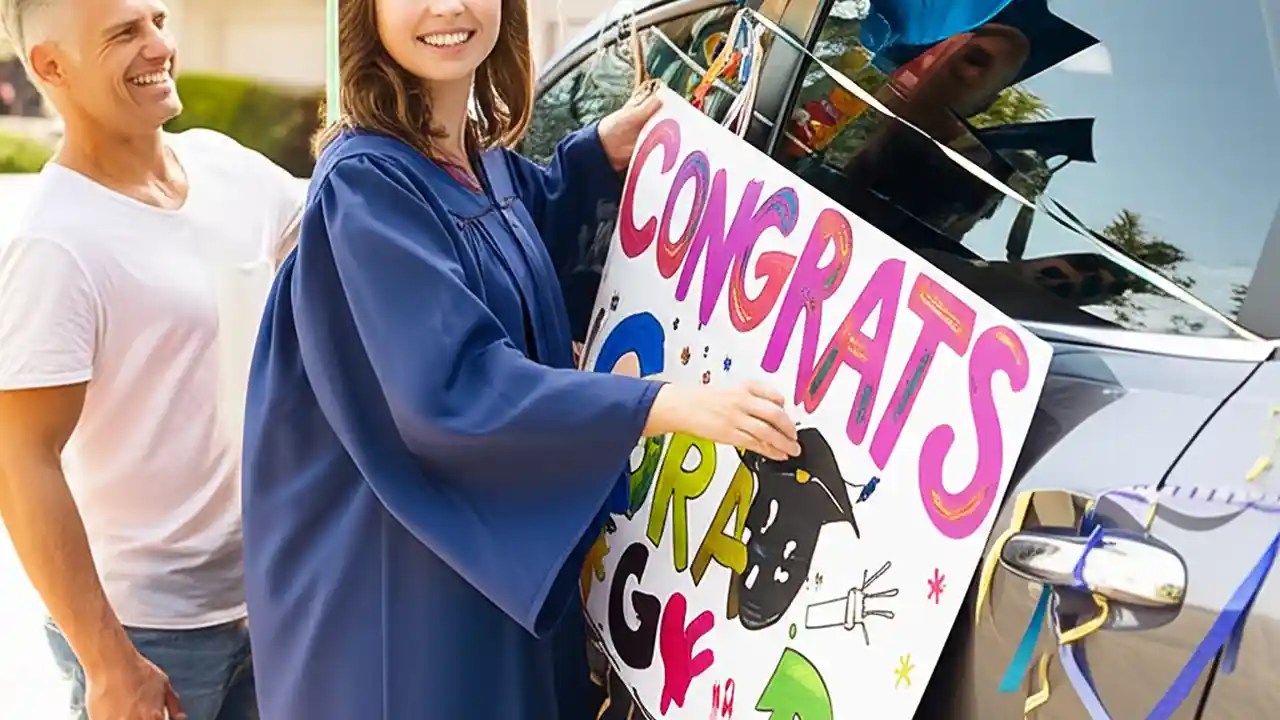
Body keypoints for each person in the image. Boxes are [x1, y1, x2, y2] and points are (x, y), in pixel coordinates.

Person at [238, 0, 802, 717]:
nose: (447, 7)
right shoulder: (366, 188)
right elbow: (452, 386)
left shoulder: (471, 163)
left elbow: (526, 235)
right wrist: (665, 404)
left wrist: (602, 150)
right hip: (405, 603)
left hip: (471, 590)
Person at [0, 0, 302, 718]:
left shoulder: (229, 169)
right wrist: (108, 663)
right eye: (125, 34)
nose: (159, 46)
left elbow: (351, 266)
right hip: (150, 638)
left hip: (272, 599)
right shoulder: (57, 244)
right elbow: (20, 462)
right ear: (51, 66)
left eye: (158, 20)